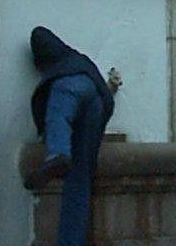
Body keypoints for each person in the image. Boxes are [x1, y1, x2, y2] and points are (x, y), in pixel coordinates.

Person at [25, 26, 115, 246]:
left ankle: (57, 154)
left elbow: (54, 116)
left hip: (70, 88)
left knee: (59, 115)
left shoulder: (59, 69)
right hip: (97, 100)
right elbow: (105, 96)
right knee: (79, 179)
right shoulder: (80, 59)